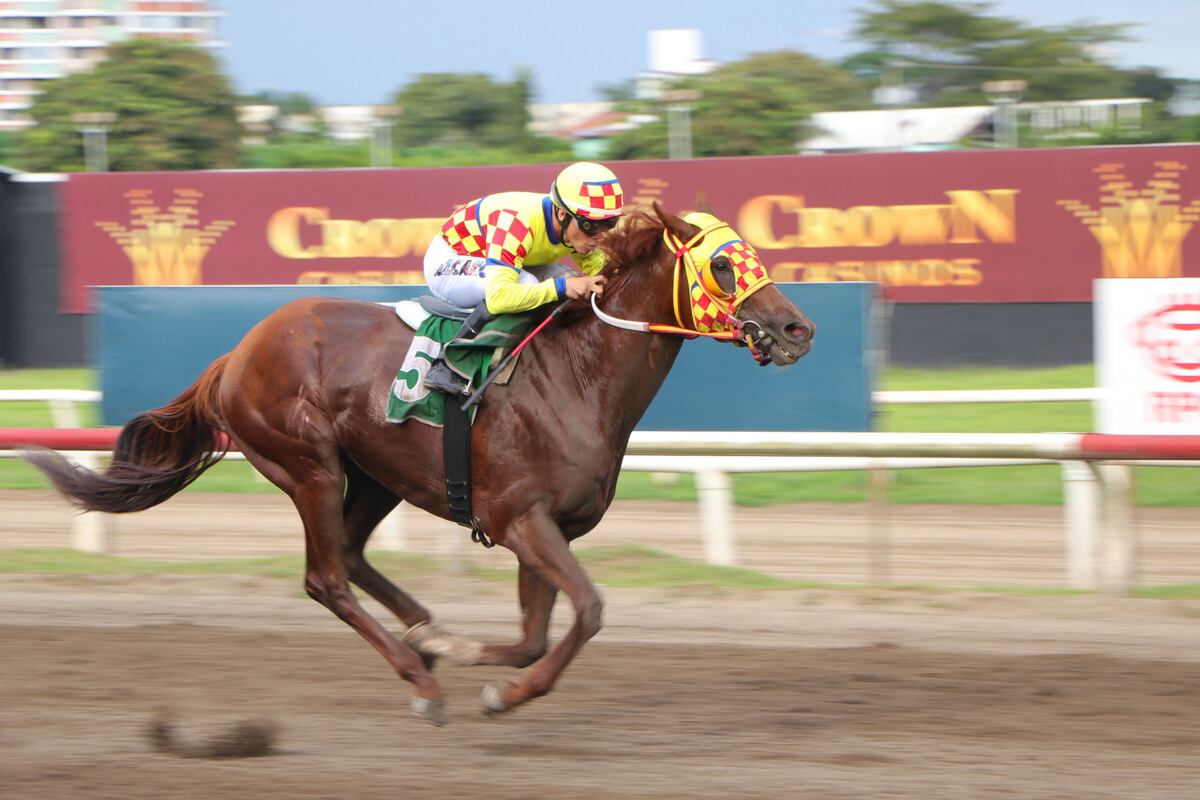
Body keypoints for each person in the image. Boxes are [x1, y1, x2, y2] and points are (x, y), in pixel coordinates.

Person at [420, 161, 623, 396]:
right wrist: (561, 287)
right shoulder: (517, 222)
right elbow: (499, 298)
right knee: (531, 284)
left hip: (501, 260)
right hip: (449, 261)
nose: (599, 236)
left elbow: (602, 274)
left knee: (571, 280)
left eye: (608, 224)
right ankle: (448, 366)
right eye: (591, 226)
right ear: (562, 214)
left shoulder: (573, 227)